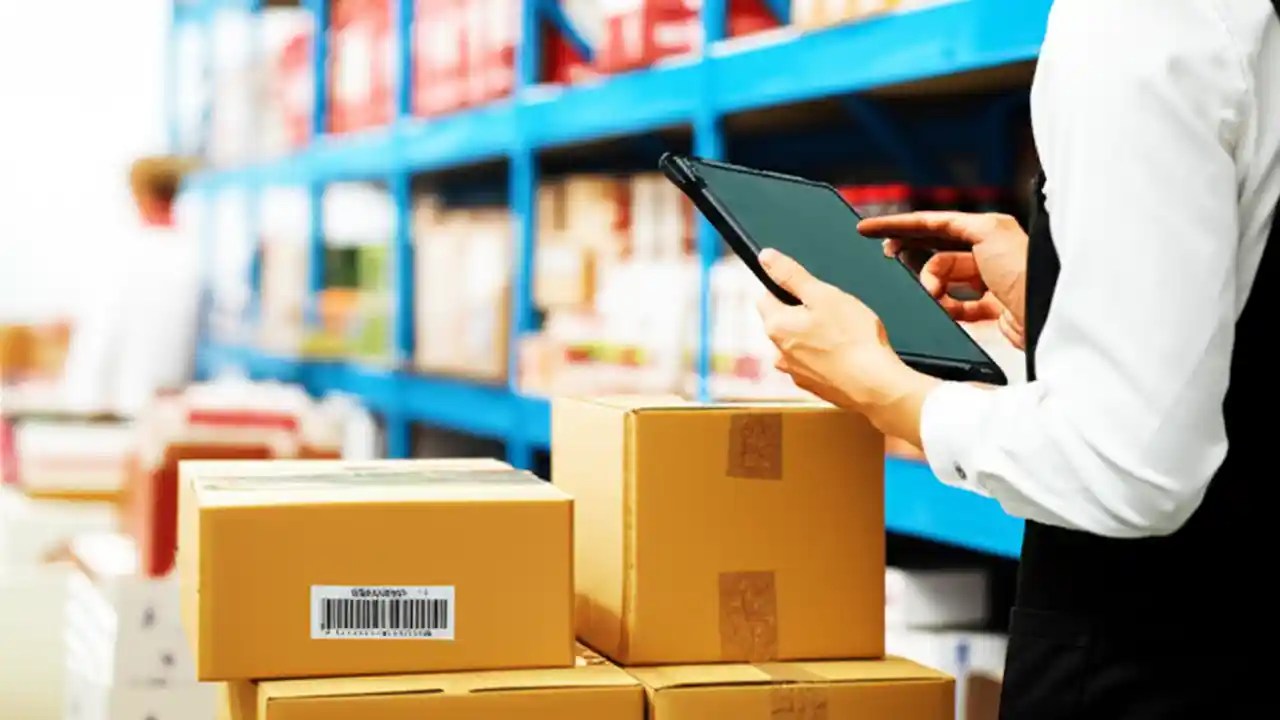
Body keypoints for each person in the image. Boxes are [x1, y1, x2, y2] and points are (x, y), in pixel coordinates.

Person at [756, 1, 1279, 716]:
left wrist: (889, 391)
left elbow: (1127, 468)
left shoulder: (1134, 19)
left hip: (1159, 663)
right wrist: (1075, 297)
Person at [61, 155, 202, 416]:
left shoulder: (122, 255)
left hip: (119, 409)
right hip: (166, 407)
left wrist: (80, 403)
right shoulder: (192, 255)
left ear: (138, 196)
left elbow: (98, 341)